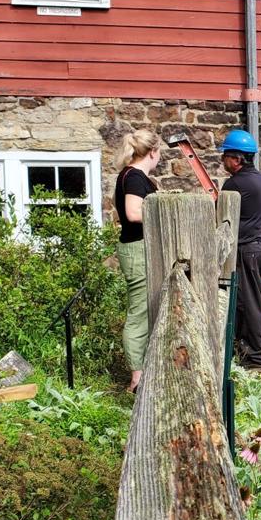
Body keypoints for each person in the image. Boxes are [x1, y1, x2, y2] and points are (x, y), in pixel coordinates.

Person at [113, 129, 161, 393]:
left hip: (140, 248)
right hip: (137, 250)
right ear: (152, 152)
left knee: (144, 310)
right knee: (139, 314)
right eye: (159, 153)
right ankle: (137, 378)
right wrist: (164, 213)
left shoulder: (133, 176)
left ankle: (143, 371)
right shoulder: (133, 177)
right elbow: (132, 213)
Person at [219, 129, 261, 368]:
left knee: (248, 302)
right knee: (256, 299)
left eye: (226, 156)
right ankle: (250, 348)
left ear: (238, 159)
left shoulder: (234, 184)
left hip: (247, 250)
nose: (223, 161)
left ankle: (259, 355)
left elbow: (221, 216)